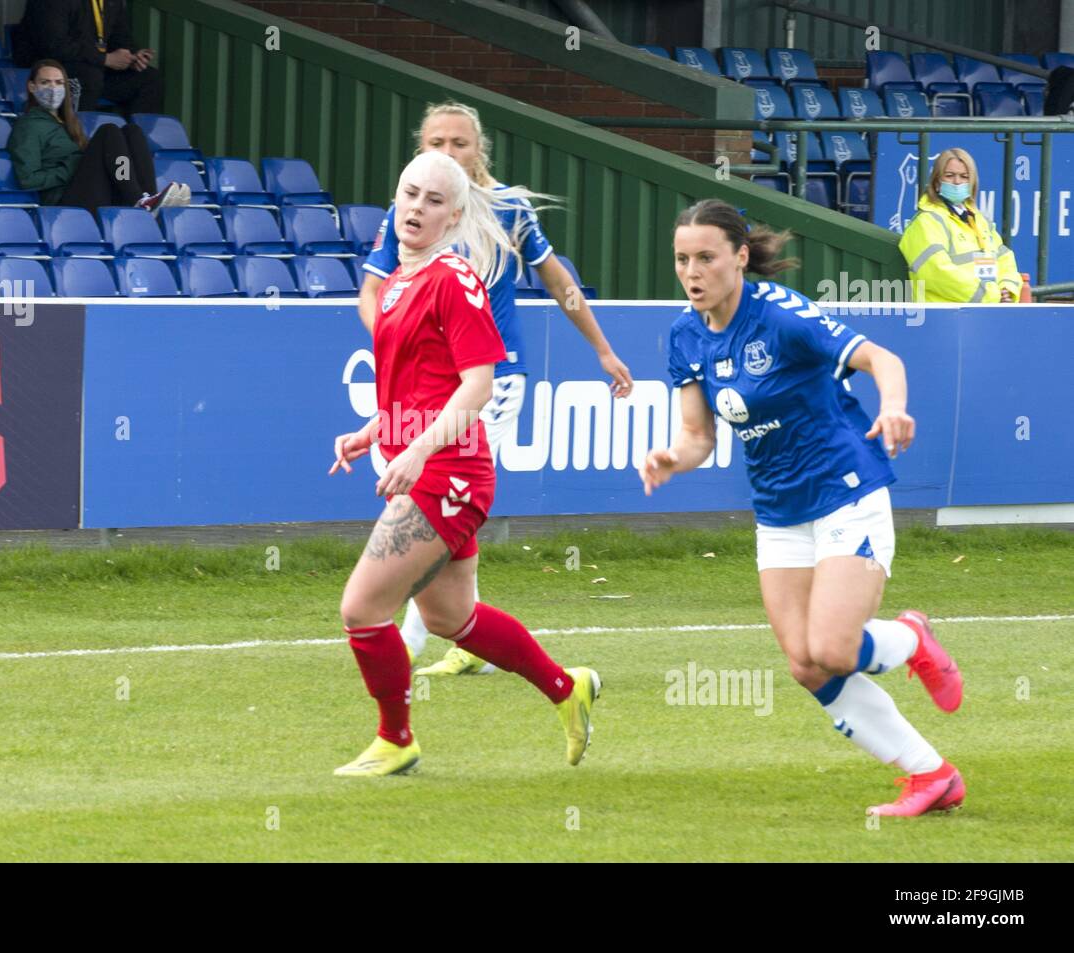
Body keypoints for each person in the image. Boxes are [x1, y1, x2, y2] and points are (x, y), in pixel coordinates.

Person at [643, 199, 965, 817]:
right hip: (779, 510)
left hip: (846, 488)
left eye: (706, 258)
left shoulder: (783, 317)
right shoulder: (685, 334)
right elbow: (698, 436)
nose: (693, 271)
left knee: (835, 649)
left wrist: (892, 406)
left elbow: (881, 359)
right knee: (805, 664)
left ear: (740, 258)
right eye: (683, 259)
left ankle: (911, 638)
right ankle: (933, 775)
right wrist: (671, 460)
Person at [328, 151, 601, 777]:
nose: (416, 208)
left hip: (447, 474)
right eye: (408, 194)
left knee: (361, 609)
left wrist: (418, 451)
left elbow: (479, 384)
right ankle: (568, 688)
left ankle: (396, 740)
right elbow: (418, 386)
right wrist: (374, 430)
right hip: (430, 466)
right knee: (453, 619)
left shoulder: (453, 278)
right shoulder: (399, 281)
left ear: (454, 217)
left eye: (432, 200)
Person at [359, 101, 634, 678]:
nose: (446, 153)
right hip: (420, 386)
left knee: (430, 496)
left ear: (479, 149)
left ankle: (411, 638)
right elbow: (374, 292)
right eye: (435, 142)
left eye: (459, 143)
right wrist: (402, 343)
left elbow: (557, 278)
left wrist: (602, 348)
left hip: (492, 377)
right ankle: (465, 633)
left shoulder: (506, 207)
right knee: (440, 508)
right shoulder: (409, 207)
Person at [7, 61, 188, 218]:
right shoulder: (28, 125)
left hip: (91, 192)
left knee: (132, 131)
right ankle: (139, 200)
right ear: (32, 87)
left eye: (58, 83)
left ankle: (147, 198)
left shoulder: (69, 122)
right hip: (63, 202)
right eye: (45, 82)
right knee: (108, 131)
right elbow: (28, 179)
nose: (53, 88)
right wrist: (71, 166)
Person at [898, 148, 1022, 303]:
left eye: (964, 177)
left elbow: (1005, 259)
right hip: (943, 318)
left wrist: (1007, 289)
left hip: (983, 313)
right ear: (936, 182)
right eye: (949, 176)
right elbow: (936, 273)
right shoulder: (926, 222)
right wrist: (990, 296)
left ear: (972, 183)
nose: (957, 182)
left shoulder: (979, 221)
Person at [15, 0, 163, 116]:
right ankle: (79, 140)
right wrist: (105, 59)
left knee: (149, 78)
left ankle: (136, 145)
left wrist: (132, 57)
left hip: (93, 64)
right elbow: (53, 45)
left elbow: (120, 36)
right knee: (89, 76)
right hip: (48, 65)